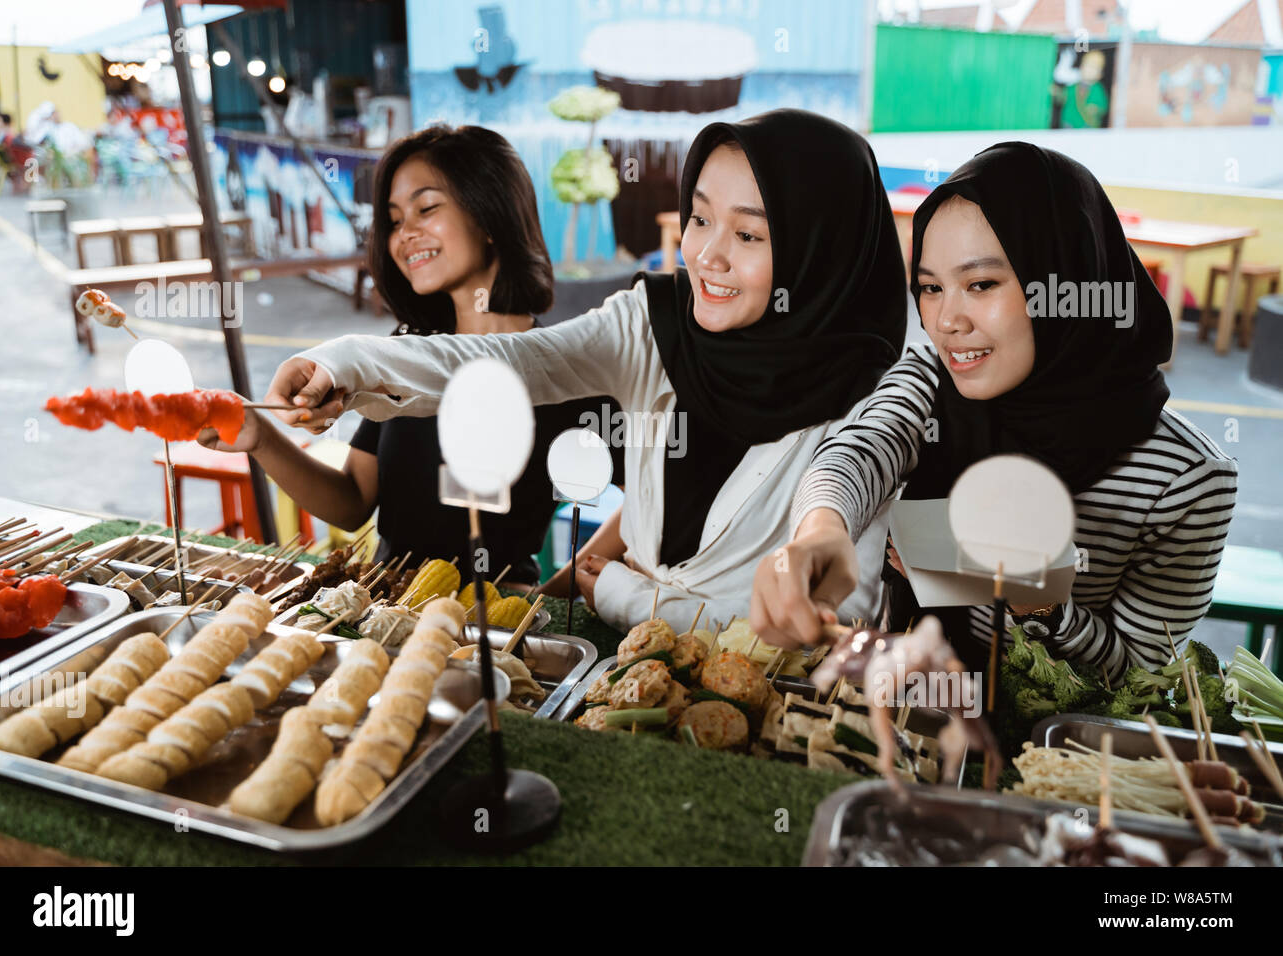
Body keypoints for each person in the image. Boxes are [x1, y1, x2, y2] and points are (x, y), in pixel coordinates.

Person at [262, 109, 908, 634]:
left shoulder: (880, 381)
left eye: (750, 236)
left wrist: (627, 593)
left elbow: (844, 483)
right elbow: (505, 361)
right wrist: (344, 360)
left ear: (820, 249)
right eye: (701, 218)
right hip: (637, 662)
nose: (707, 256)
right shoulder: (651, 323)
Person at [751, 142, 1237, 681]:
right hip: (914, 709)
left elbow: (1138, 680)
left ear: (1065, 282)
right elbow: (860, 452)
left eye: (981, 284)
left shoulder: (1186, 480)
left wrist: (1042, 605)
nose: (945, 321)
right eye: (931, 287)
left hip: (1048, 752)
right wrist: (821, 531)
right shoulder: (934, 380)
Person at [200, 124, 613, 585]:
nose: (404, 235)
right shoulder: (402, 352)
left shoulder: (560, 368)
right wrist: (260, 437)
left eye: (427, 208)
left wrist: (571, 579)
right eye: (395, 220)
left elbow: (658, 492)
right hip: (384, 613)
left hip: (497, 630)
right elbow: (354, 499)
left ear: (491, 215)